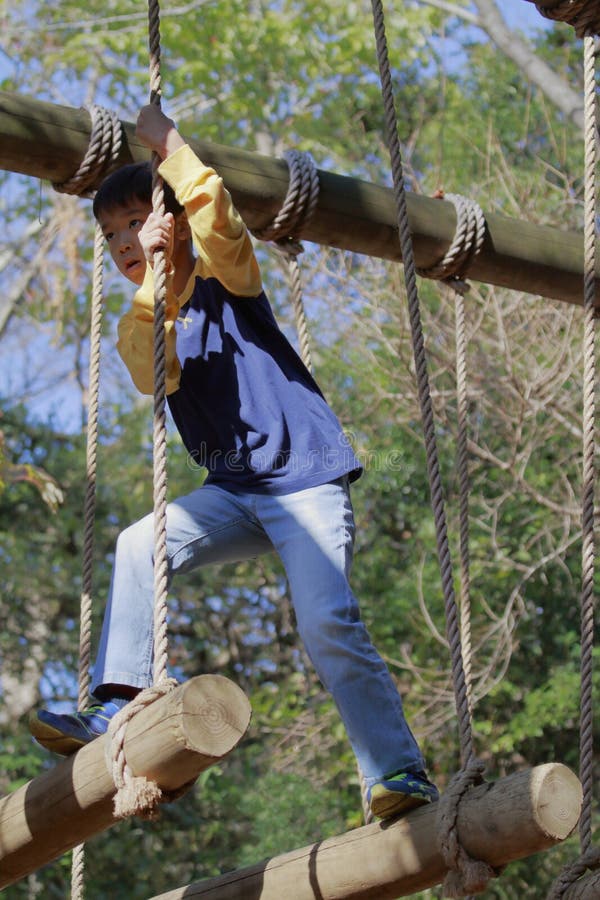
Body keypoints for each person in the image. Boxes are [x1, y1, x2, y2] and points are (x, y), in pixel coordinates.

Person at [29, 104, 438, 819]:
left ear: (173, 221)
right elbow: (149, 372)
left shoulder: (229, 277)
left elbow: (218, 217)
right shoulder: (146, 313)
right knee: (138, 544)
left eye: (135, 223)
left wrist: (171, 145)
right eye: (111, 234)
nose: (124, 242)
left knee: (327, 623)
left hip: (304, 482)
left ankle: (397, 772)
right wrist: (155, 279)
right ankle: (118, 696)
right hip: (237, 491)